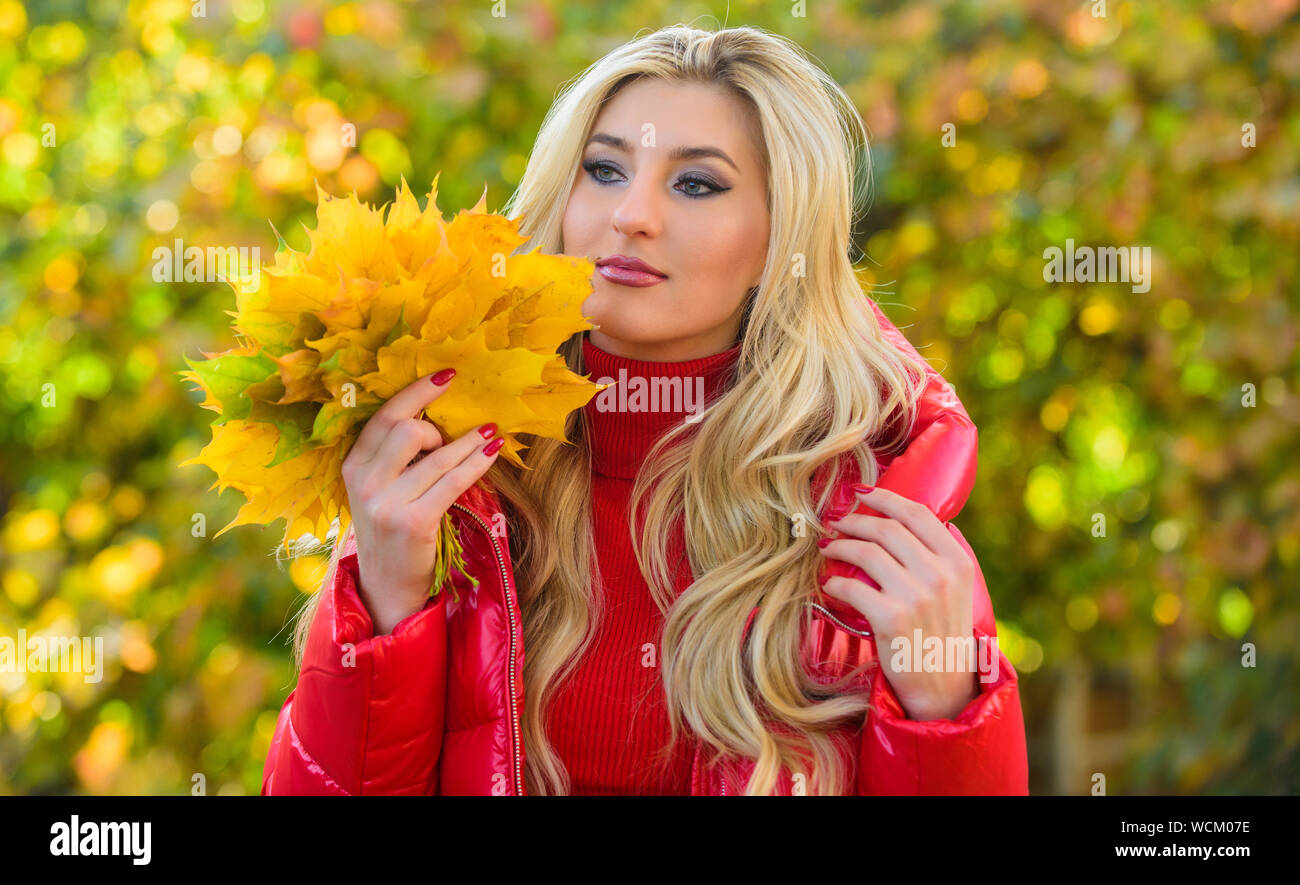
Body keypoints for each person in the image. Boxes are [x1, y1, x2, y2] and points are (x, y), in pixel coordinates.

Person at [262, 24, 1028, 796]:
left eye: (696, 183)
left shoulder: (878, 518)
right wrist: (388, 601)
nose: (632, 214)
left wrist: (939, 714)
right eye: (603, 168)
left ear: (780, 239)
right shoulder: (451, 480)